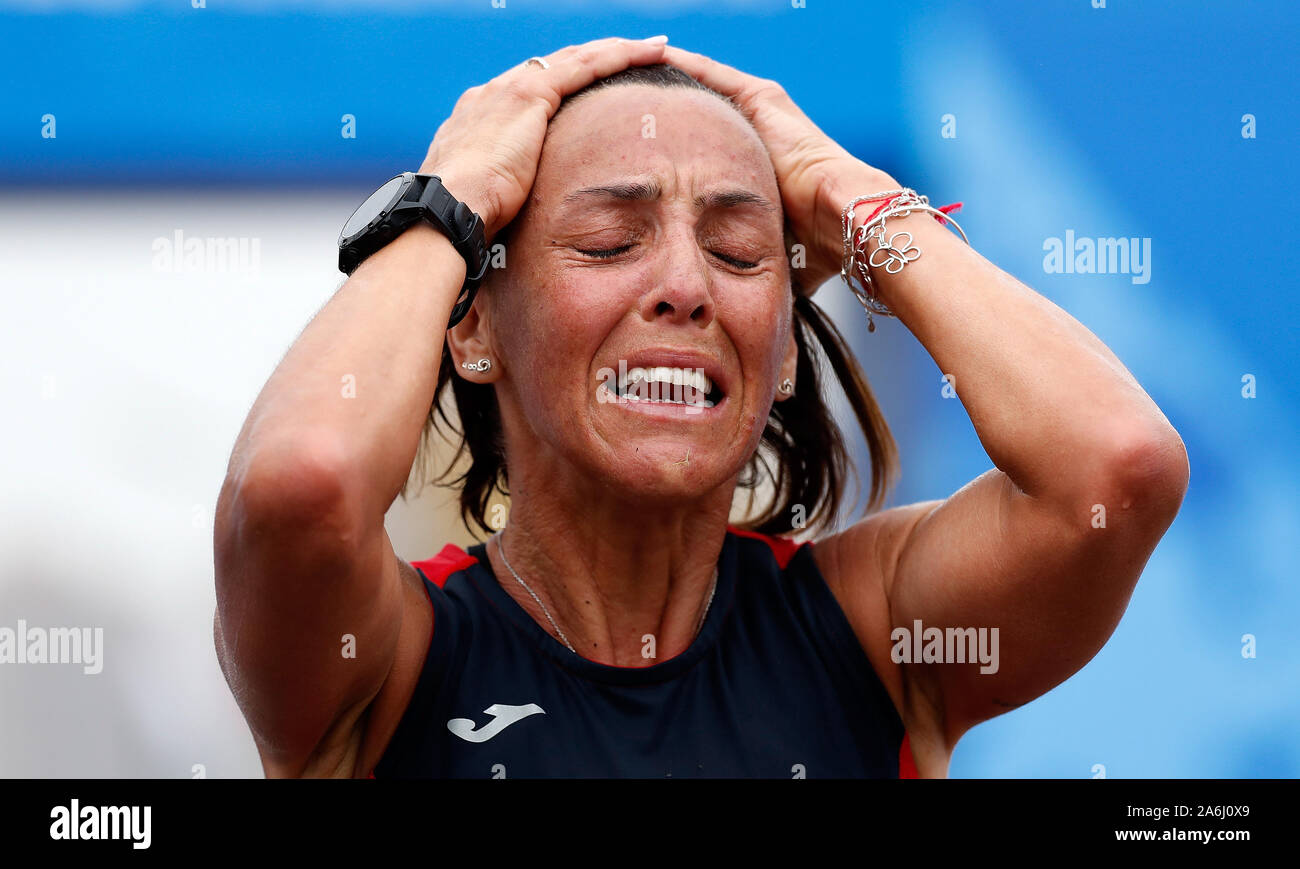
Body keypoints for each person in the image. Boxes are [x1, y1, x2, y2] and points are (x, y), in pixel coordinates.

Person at [213, 37, 1189, 778]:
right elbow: (300, 486)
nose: (685, 284)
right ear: (470, 332)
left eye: (737, 253)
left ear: (783, 361)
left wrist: (854, 202)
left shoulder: (878, 633)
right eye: (606, 241)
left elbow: (1115, 465)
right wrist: (449, 203)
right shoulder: (387, 658)